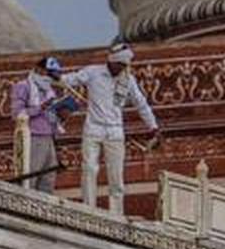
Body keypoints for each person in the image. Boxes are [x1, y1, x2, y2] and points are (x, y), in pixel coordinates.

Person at [61, 42, 160, 215]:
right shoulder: (93, 72)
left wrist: (153, 127)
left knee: (116, 176)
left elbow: (141, 104)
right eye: (120, 65)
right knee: (89, 170)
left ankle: (116, 214)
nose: (122, 68)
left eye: (125, 65)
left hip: (115, 132)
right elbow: (71, 79)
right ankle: (88, 210)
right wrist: (56, 77)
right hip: (93, 130)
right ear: (111, 61)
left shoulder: (128, 80)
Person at [10, 56, 66, 193]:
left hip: (49, 137)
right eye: (49, 73)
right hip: (33, 137)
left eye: (53, 75)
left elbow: (52, 115)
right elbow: (17, 113)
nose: (50, 77)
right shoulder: (23, 86)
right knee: (30, 178)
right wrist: (40, 108)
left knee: (48, 179)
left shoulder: (49, 90)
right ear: (38, 70)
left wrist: (62, 115)